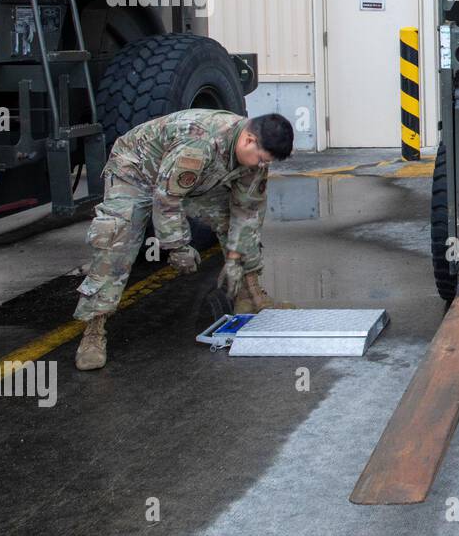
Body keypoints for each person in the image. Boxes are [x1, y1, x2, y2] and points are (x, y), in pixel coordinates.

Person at [72, 110, 294, 370]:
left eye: (266, 162)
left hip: (194, 178)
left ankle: (249, 294)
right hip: (137, 170)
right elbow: (167, 199)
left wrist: (235, 259)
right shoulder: (198, 144)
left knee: (235, 221)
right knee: (116, 243)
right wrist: (178, 247)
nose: (260, 166)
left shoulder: (254, 157)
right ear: (248, 140)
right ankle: (94, 330)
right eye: (260, 159)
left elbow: (247, 212)